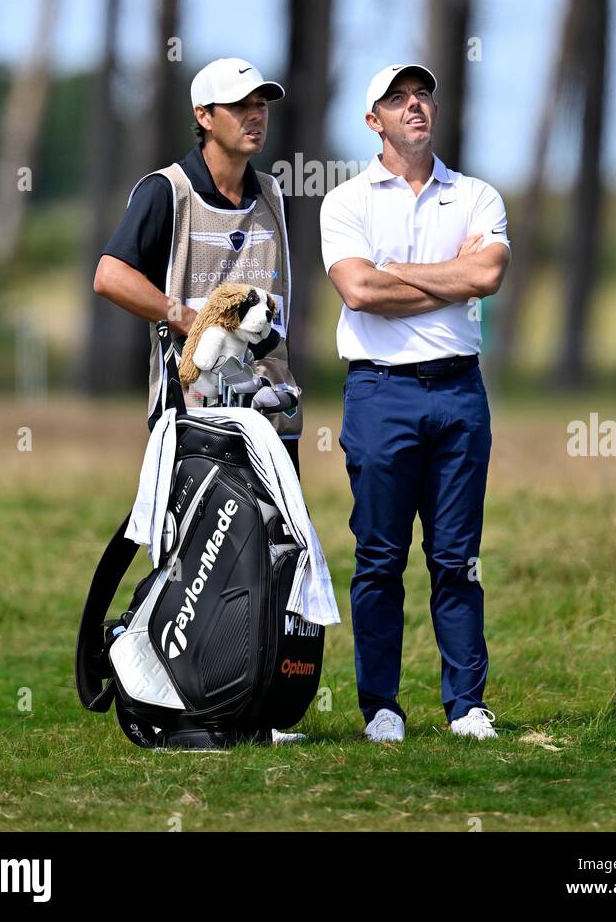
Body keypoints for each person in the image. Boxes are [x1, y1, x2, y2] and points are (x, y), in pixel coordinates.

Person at [319, 63, 510, 741]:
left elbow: (487, 273)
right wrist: (449, 280)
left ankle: (465, 705)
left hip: (459, 390)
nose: (414, 106)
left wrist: (395, 271)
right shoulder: (344, 202)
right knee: (378, 557)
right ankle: (381, 708)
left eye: (421, 94)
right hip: (380, 391)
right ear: (373, 121)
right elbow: (359, 292)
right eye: (396, 99)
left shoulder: (477, 196)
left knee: (456, 558)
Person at [94, 57, 303, 477]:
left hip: (271, 408)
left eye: (261, 104)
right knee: (197, 541)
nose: (256, 115)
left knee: (278, 541)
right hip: (193, 408)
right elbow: (110, 276)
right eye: (239, 105)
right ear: (203, 115)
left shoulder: (271, 193)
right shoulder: (166, 190)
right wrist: (189, 318)